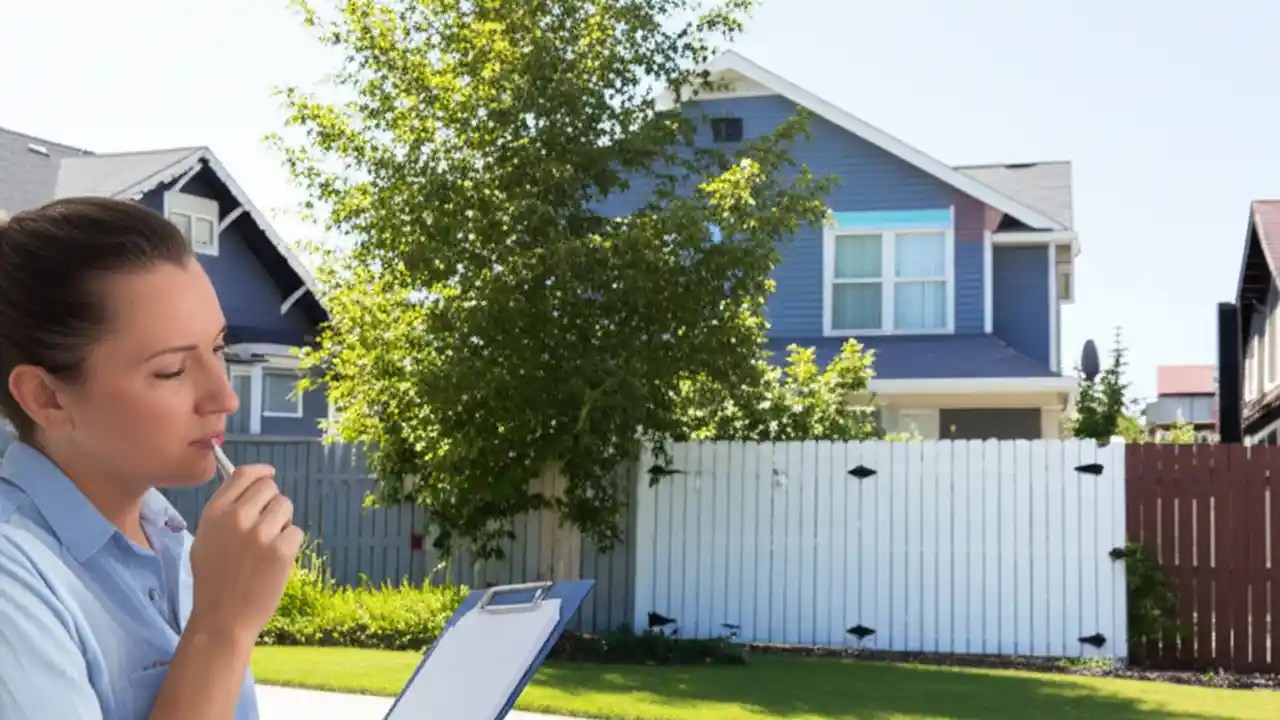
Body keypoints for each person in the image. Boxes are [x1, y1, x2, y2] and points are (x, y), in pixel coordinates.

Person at [0, 197, 304, 719]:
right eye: (171, 371)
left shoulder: (182, 551)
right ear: (47, 398)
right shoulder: (15, 580)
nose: (225, 398)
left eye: (219, 349)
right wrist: (220, 628)